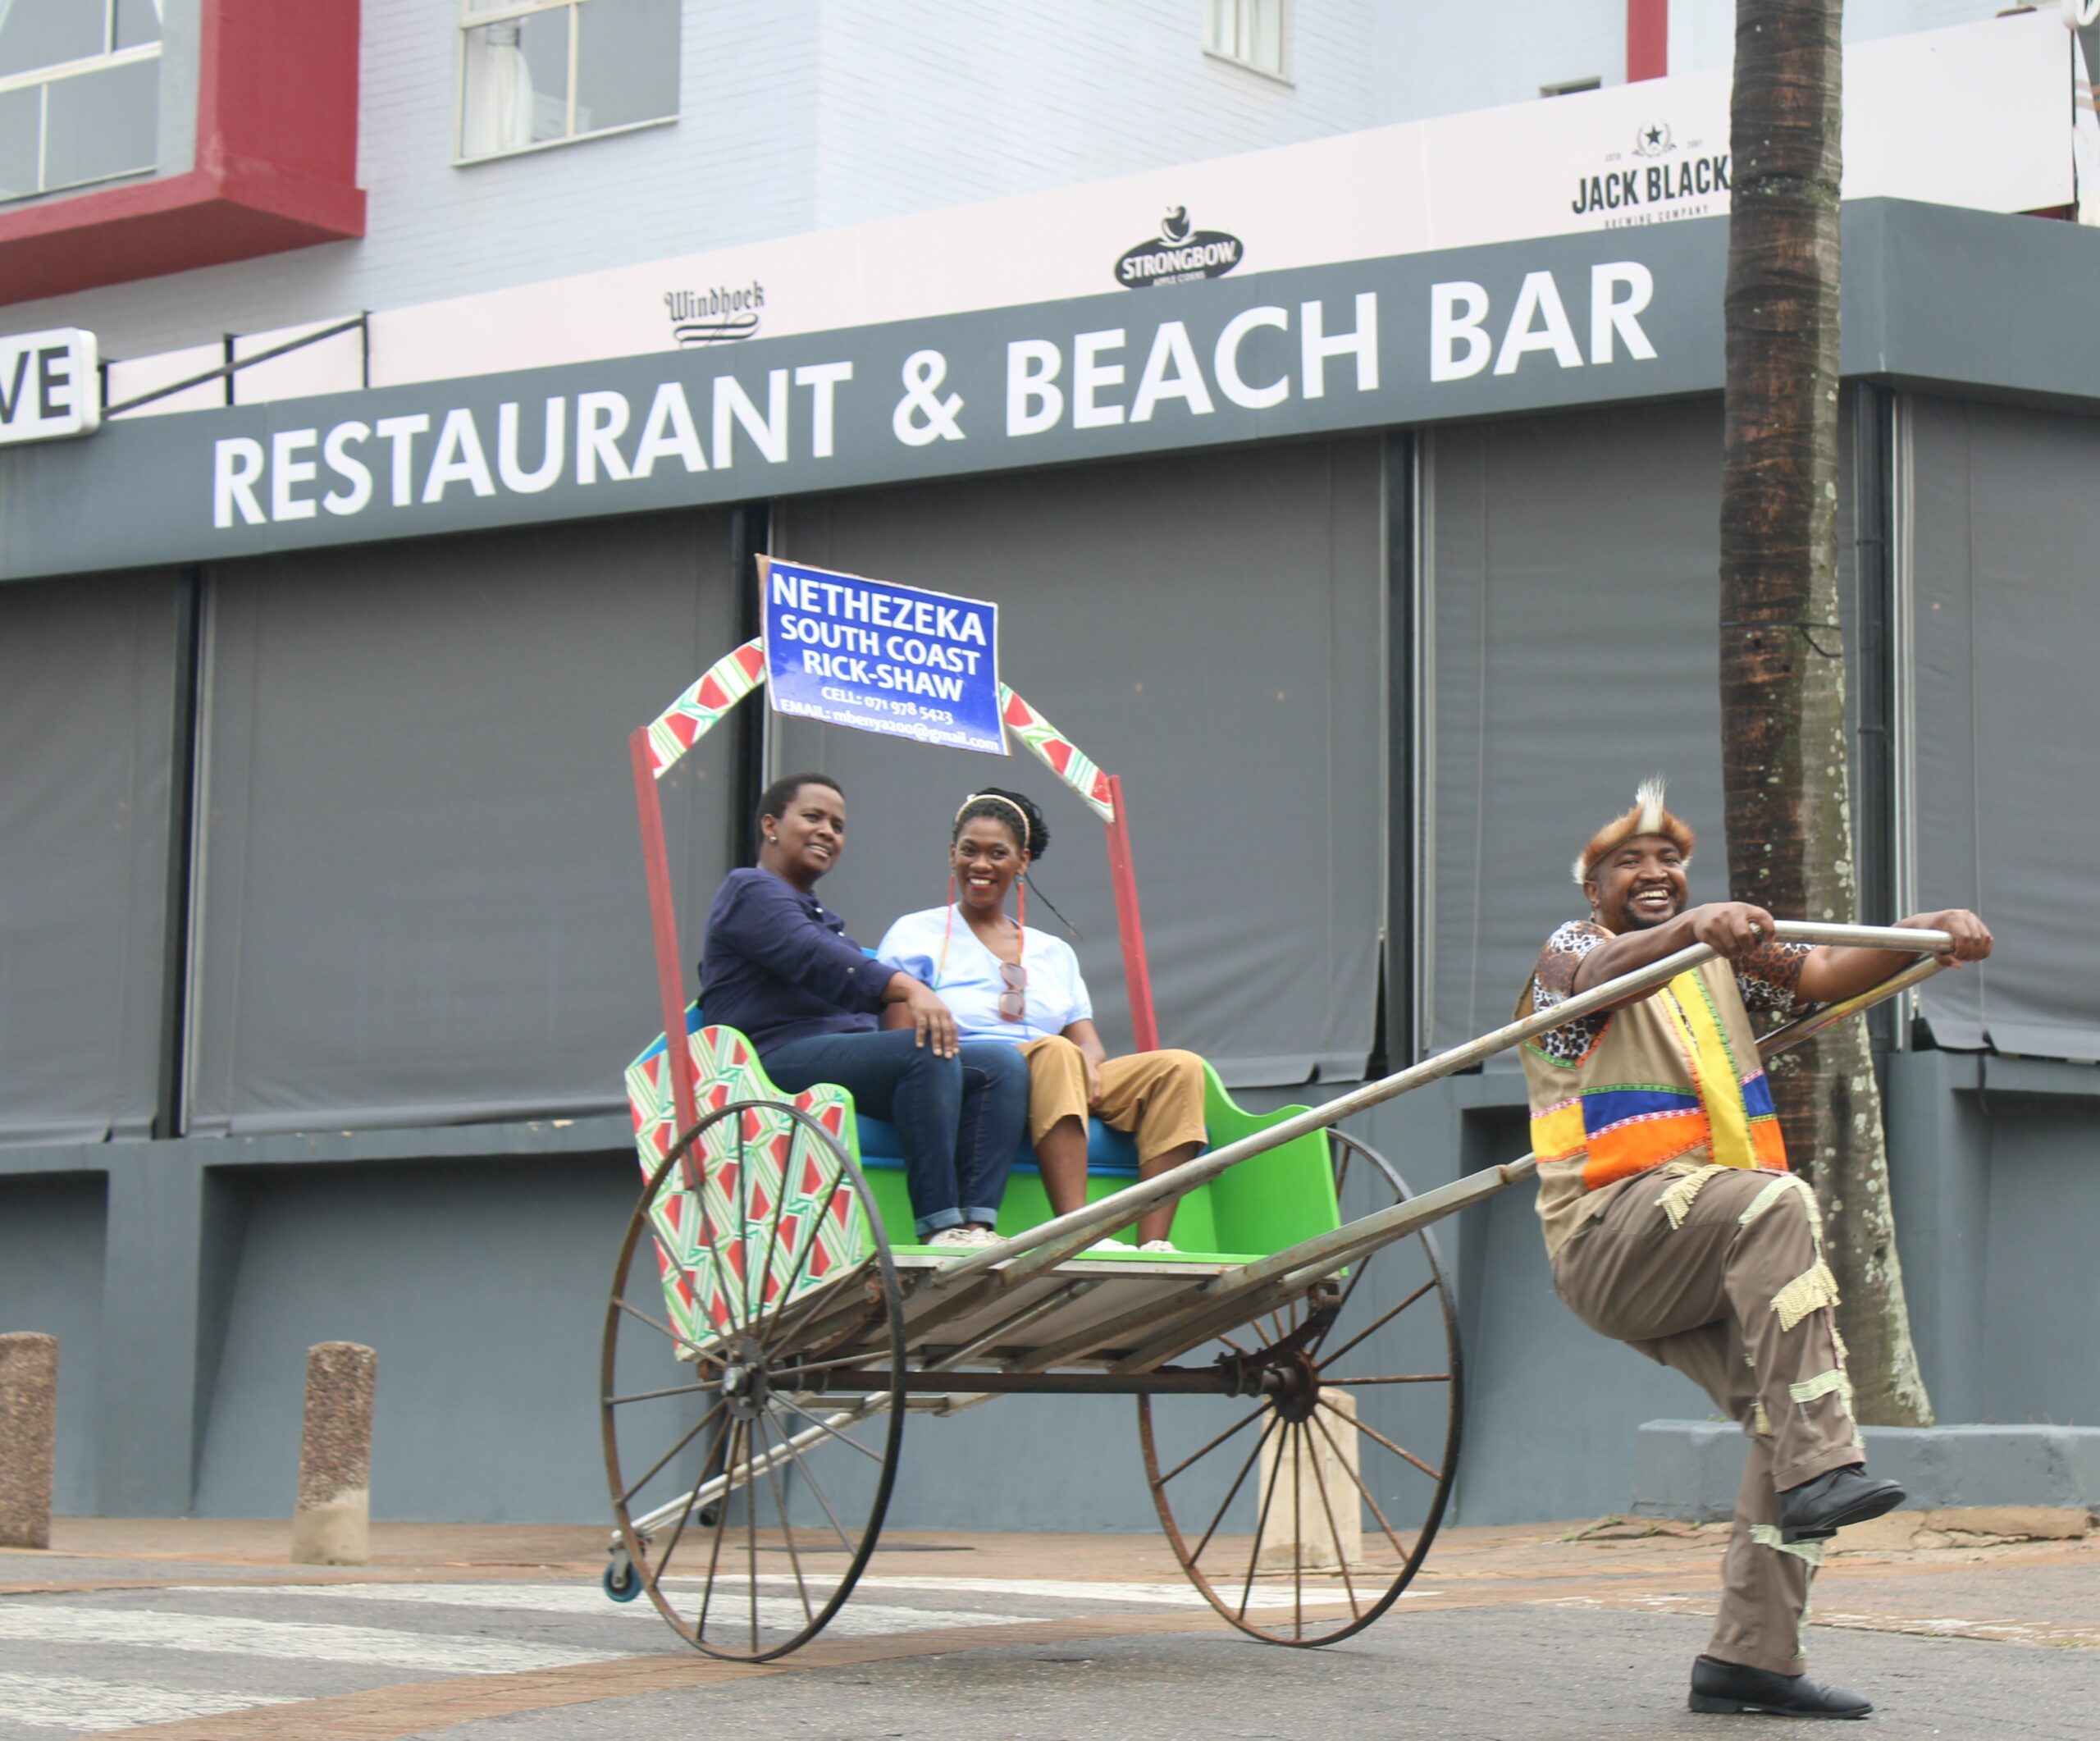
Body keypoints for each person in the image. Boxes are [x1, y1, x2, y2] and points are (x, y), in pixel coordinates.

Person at [1518, 779, 1992, 1719]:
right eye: (1627, 862)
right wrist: (1694, 925)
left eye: (1668, 862)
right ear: (1591, 888)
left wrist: (1929, 932)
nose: (1652, 874)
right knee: (1777, 1200)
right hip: (1612, 1234)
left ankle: (1751, 1660)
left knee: (1786, 1413)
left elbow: (1819, 973)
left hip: (1705, 1238)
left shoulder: (1716, 967)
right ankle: (1826, 1467)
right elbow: (1597, 971)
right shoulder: (1574, 952)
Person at [698, 772, 1029, 1248]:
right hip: (769, 1062)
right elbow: (814, 958)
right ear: (770, 824)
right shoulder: (749, 891)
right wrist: (907, 989)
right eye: (813, 817)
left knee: (1001, 1064)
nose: (828, 832)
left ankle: (976, 1226)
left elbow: (825, 951)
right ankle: (940, 1225)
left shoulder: (816, 915)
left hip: (841, 1056)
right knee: (926, 1050)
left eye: (837, 825)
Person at [874, 788, 1207, 1254]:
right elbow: (898, 1040)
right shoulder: (917, 932)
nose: (980, 865)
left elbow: (1087, 1040)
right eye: (969, 850)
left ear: (1023, 861)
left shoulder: (1053, 951)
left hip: (1062, 1073)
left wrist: (1088, 1063)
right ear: (952, 855)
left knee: (1179, 1068)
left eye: (998, 853)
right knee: (1054, 1052)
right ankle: (1077, 1230)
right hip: (977, 1074)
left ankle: (1152, 1243)